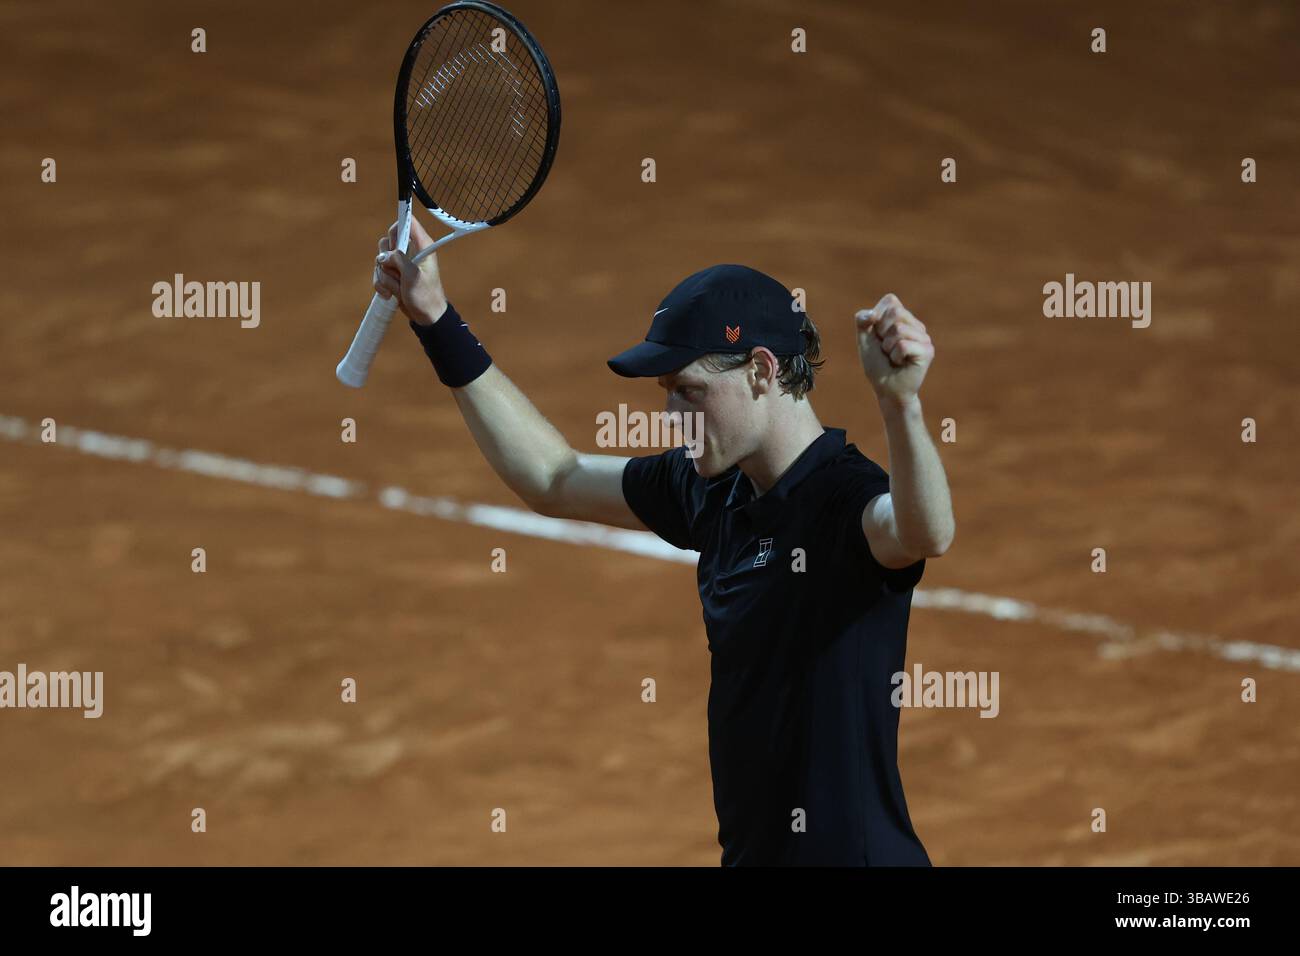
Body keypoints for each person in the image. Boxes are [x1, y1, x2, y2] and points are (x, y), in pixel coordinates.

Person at [373, 216, 955, 865]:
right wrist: (435, 318)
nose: (673, 418)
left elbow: (922, 531)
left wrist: (901, 405)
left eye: (689, 392)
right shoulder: (714, 490)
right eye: (666, 394)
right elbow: (554, 478)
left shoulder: (842, 500)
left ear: (762, 370)